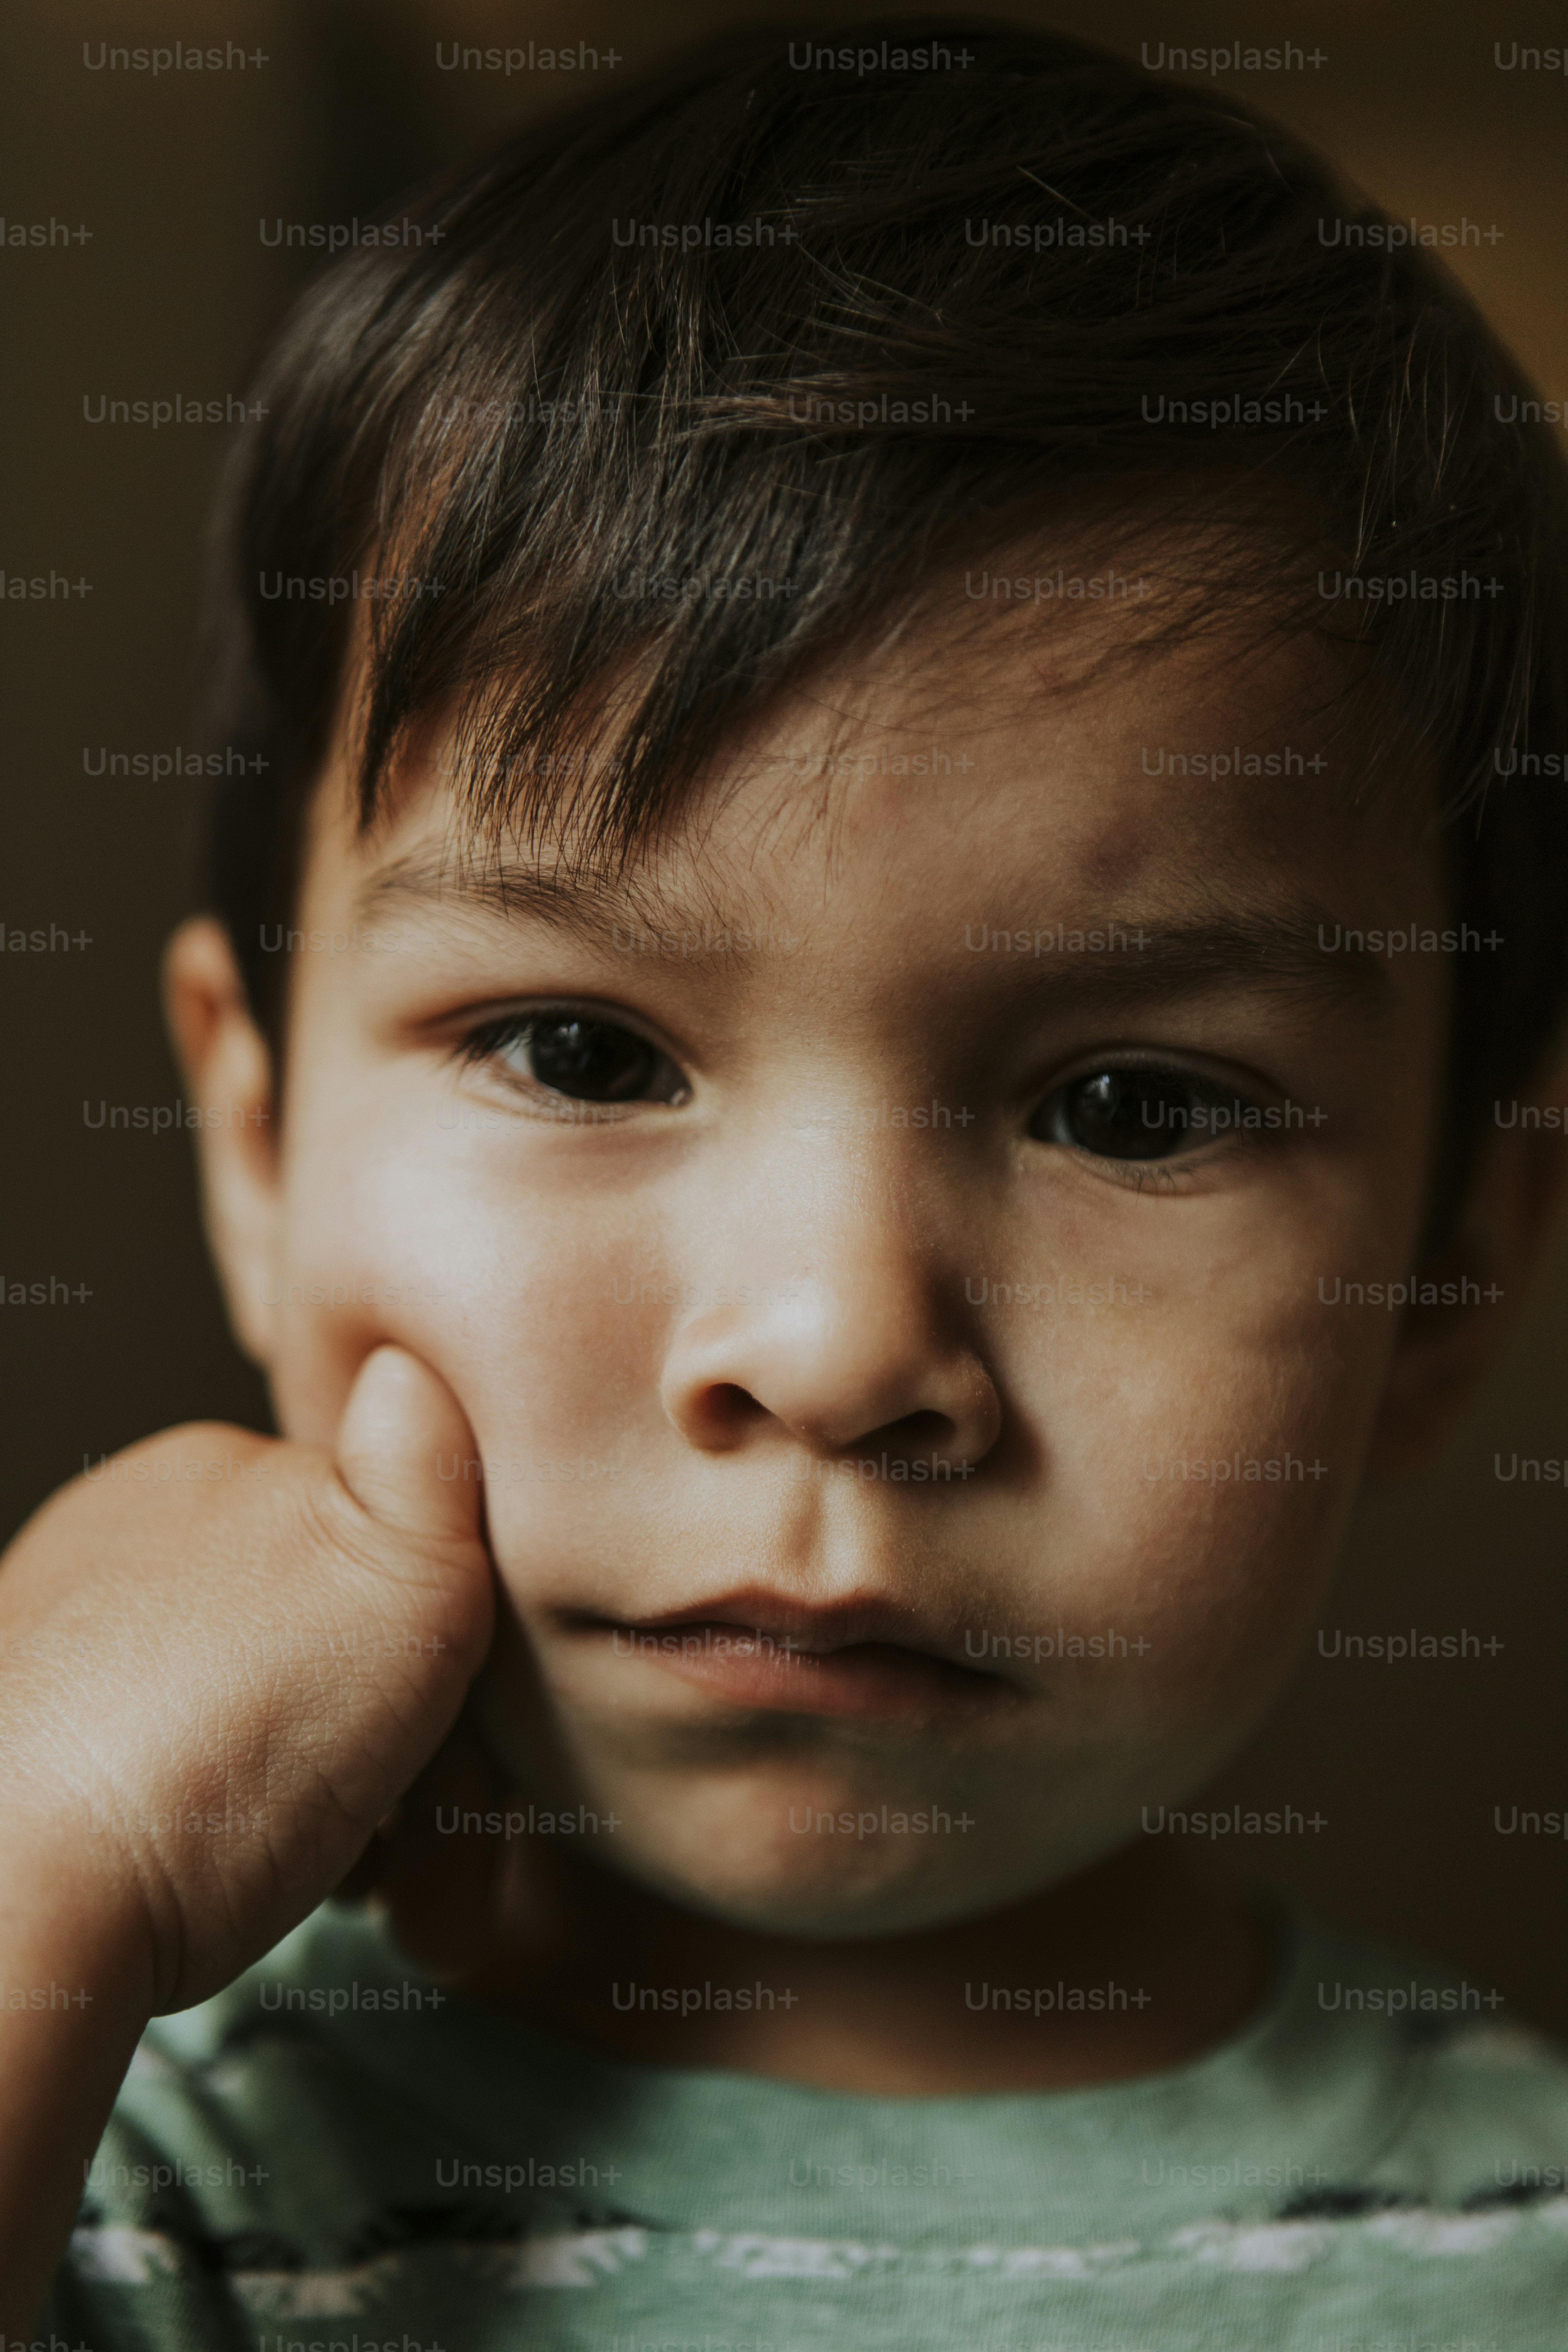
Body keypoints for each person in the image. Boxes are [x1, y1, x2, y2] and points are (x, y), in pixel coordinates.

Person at [7, 21, 1568, 2346]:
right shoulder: (96, 2139)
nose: (835, 1353)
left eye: (1133, 1106)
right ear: (254, 1148)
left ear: (1444, 1283)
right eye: (581, 1050)